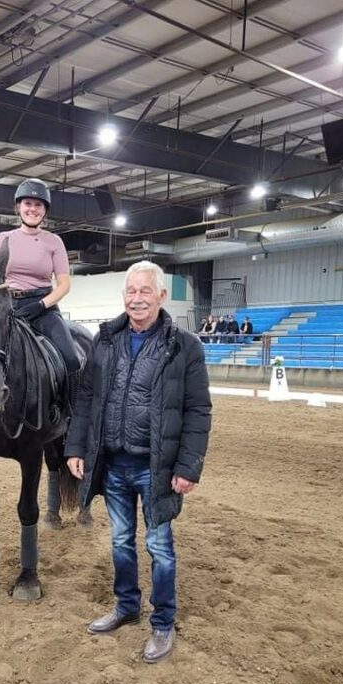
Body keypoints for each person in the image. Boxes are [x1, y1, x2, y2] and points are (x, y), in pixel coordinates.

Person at [65, 261, 211, 663]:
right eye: (131, 291)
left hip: (157, 466)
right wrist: (76, 448)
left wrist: (187, 467)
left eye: (145, 291)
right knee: (120, 540)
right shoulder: (105, 340)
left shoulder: (184, 346)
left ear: (161, 296)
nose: (137, 298)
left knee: (159, 547)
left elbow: (198, 410)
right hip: (113, 463)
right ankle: (126, 606)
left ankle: (162, 622)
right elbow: (86, 398)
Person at [0, 178, 81, 410]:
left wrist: (41, 305)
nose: (32, 209)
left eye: (38, 205)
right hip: (8, 306)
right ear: (18, 207)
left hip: (42, 307)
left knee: (71, 358)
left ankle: (71, 414)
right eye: (27, 203)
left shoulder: (54, 241)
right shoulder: (3, 239)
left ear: (45, 210)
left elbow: (64, 284)